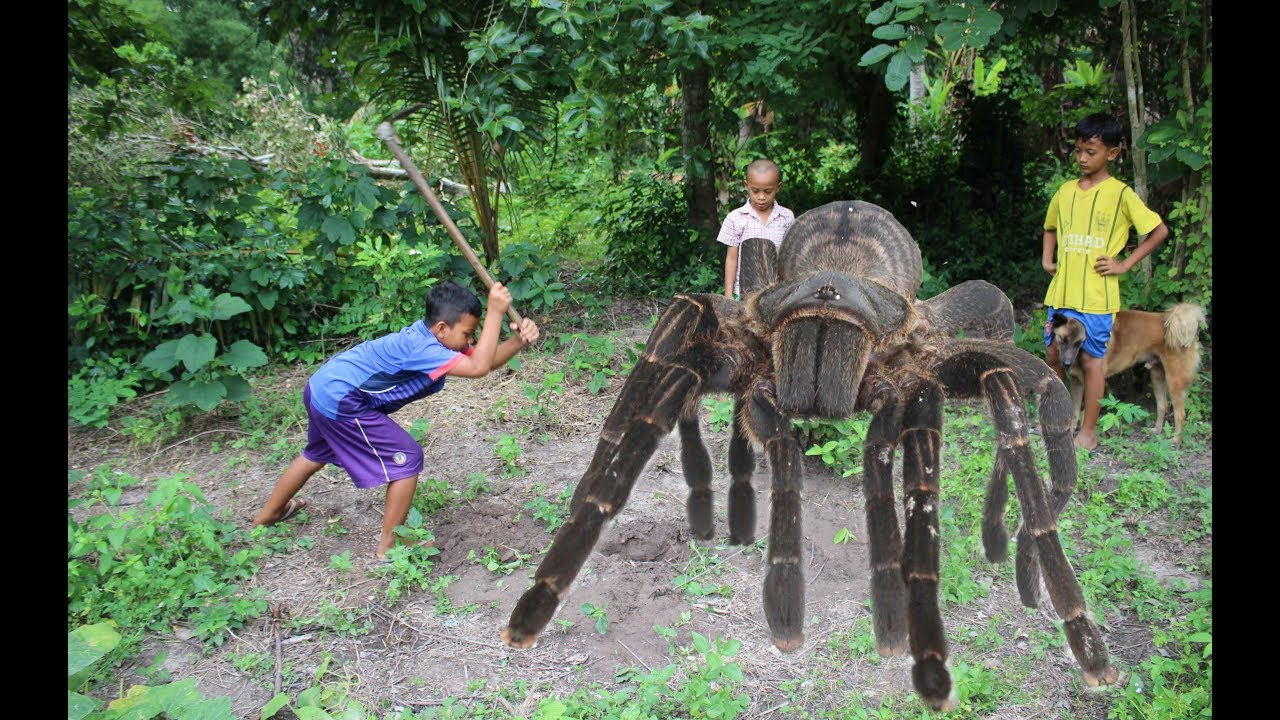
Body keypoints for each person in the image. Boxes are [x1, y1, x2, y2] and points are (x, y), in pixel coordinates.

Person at [252, 280, 540, 561]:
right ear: (442, 328)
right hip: (342, 398)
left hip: (323, 385)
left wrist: (518, 341)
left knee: (315, 454)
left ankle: (269, 515)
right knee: (407, 458)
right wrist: (495, 311)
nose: (470, 341)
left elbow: (483, 360)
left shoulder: (434, 340)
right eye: (467, 334)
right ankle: (389, 545)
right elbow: (478, 368)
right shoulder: (423, 349)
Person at [1041, 113, 1169, 452]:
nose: (1082, 158)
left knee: (1090, 361)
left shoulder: (1121, 194)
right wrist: (1047, 259)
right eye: (1078, 150)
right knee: (1053, 354)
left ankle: (1088, 432)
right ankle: (1056, 423)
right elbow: (1050, 226)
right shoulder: (1065, 192)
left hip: (1098, 299)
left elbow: (1158, 231)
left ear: (1111, 153)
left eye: (1091, 151)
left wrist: (1124, 263)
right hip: (1061, 293)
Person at [717, 158, 795, 298]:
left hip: (778, 292)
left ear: (778, 187)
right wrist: (729, 292)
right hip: (743, 291)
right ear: (746, 185)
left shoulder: (786, 217)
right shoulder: (736, 218)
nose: (761, 197)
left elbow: (790, 255)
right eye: (755, 191)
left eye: (768, 191)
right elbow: (732, 258)